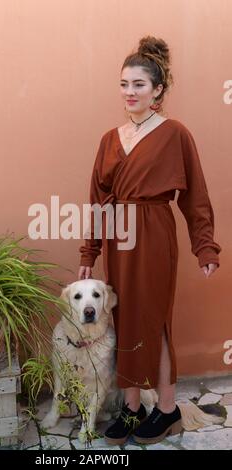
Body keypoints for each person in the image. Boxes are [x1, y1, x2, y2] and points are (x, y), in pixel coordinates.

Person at [78, 35, 221, 446]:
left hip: (156, 235)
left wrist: (204, 246)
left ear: (157, 90)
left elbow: (196, 196)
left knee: (154, 320)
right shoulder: (110, 139)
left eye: (138, 84)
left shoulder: (175, 133)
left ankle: (168, 408)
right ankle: (132, 407)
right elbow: (98, 201)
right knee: (122, 318)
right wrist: (91, 250)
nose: (129, 92)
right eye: (124, 84)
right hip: (120, 239)